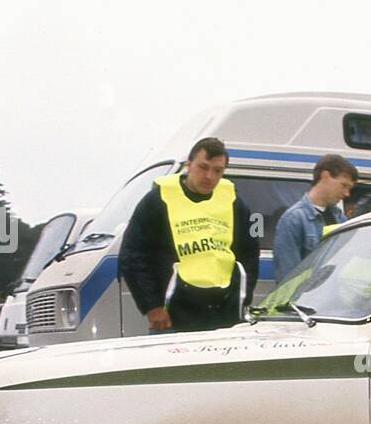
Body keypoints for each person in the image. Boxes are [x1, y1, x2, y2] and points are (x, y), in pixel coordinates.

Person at [119, 137, 260, 332]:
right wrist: (152, 307)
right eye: (203, 167)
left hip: (224, 315)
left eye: (217, 171)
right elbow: (132, 254)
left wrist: (243, 297)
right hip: (174, 315)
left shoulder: (234, 202)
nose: (209, 176)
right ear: (189, 165)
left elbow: (250, 253)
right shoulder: (158, 200)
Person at [272, 154, 358, 281]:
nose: (347, 194)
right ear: (325, 176)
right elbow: (288, 279)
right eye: (344, 185)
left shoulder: (340, 218)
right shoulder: (293, 219)